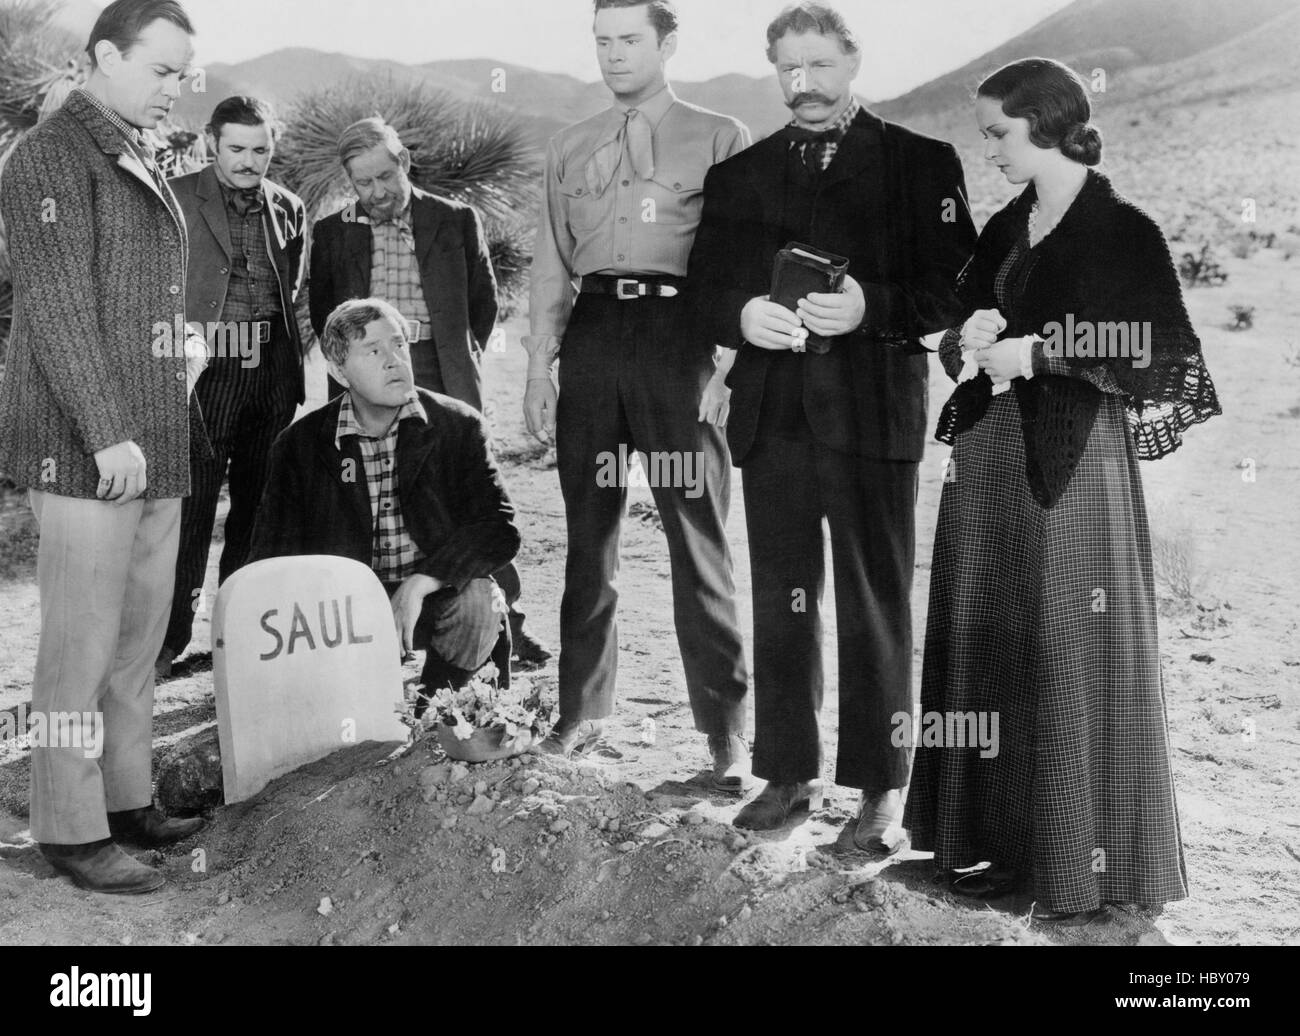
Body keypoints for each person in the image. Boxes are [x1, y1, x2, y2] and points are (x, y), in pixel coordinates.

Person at [904, 58, 1221, 924]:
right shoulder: (1010, 224)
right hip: (995, 462)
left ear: (1046, 123)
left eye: (1001, 134)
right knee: (999, 645)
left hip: (1075, 467)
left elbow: (1161, 358)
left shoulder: (1122, 231)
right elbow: (966, 320)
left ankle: (1083, 876)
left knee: (1066, 652)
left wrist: (1041, 355)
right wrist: (965, 333)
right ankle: (1009, 852)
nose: (993, 152)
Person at [686, 1, 975, 841]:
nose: (801, 84)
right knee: (782, 598)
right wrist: (741, 317)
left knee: (874, 602)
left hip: (872, 414)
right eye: (786, 68)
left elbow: (954, 287)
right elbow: (702, 290)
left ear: (852, 62)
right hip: (773, 420)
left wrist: (869, 308)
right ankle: (785, 772)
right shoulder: (741, 175)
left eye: (817, 65)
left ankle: (882, 789)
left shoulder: (921, 164)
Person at [0, 0, 205, 894]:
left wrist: (182, 350)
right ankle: (70, 828)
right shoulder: (49, 153)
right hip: (90, 449)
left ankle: (126, 800)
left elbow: (136, 293)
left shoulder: (133, 148)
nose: (176, 90)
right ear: (103, 57)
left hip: (152, 438)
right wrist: (105, 433)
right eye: (163, 71)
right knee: (77, 653)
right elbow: (55, 310)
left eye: (183, 74)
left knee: (135, 639)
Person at [523, 0, 753, 792]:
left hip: (678, 341)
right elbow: (552, 264)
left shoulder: (719, 137)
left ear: (668, 44)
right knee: (590, 537)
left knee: (699, 538)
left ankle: (726, 736)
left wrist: (730, 368)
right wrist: (537, 368)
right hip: (592, 338)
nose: (614, 55)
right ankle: (581, 715)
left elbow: (738, 267)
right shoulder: (569, 145)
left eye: (629, 41)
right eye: (602, 42)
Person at [310, 116, 550, 668]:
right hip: (367, 377)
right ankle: (379, 628)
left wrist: (449, 365)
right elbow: (328, 318)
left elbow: (481, 306)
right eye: (362, 183)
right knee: (372, 500)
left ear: (405, 163)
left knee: (468, 501)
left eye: (385, 176)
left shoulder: (454, 219)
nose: (376, 193)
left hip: (439, 369)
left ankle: (504, 620)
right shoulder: (332, 232)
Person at [249, 298, 520, 700]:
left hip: (434, 592)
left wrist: (419, 584)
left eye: (399, 345)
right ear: (339, 372)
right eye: (374, 351)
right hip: (341, 614)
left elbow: (499, 527)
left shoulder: (458, 425)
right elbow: (271, 556)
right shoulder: (299, 446)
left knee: (481, 600)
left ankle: (441, 702)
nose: (394, 360)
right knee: (354, 721)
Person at [156, 95, 310, 680]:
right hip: (208, 360)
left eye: (261, 150)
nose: (249, 161)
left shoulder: (289, 206)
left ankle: (236, 636)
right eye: (237, 149)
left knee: (257, 503)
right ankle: (168, 639)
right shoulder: (174, 194)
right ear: (211, 141)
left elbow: (294, 291)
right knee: (193, 505)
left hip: (272, 362)